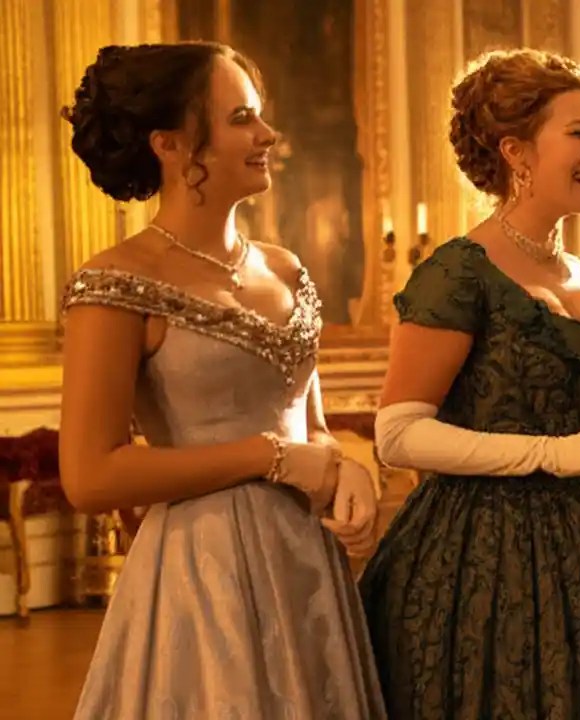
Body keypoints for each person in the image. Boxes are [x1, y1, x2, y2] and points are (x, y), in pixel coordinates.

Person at [58, 42, 383, 719]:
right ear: (171, 144)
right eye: (241, 118)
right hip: (201, 577)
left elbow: (310, 424)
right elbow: (90, 476)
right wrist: (271, 458)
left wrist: (348, 469)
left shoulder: (286, 269)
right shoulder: (117, 282)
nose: (267, 135)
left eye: (259, 116)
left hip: (308, 569)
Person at [357, 48, 580, 719]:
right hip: (477, 551)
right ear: (516, 151)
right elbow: (398, 433)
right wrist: (551, 455)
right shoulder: (459, 272)